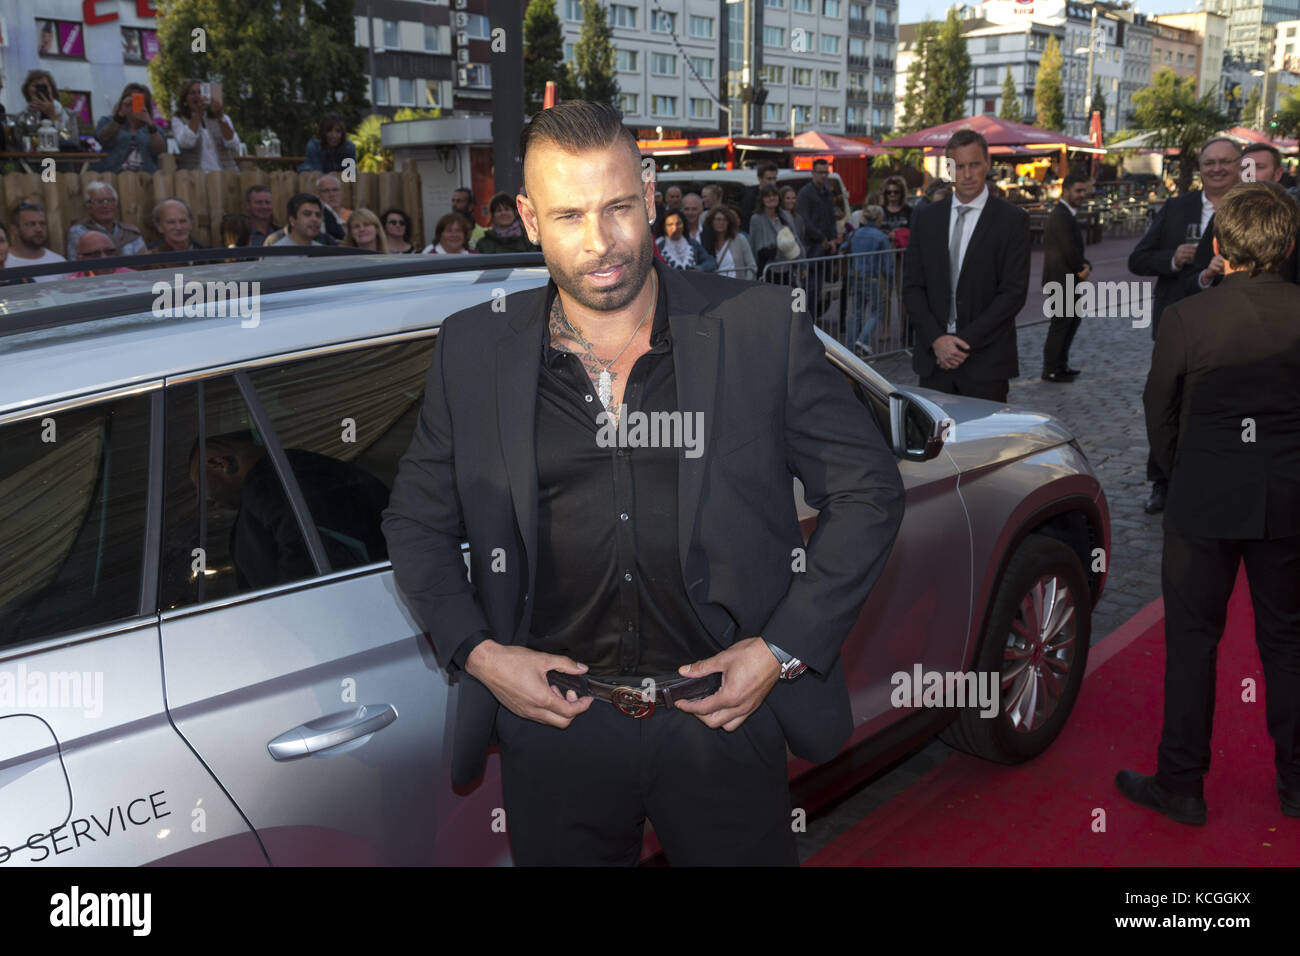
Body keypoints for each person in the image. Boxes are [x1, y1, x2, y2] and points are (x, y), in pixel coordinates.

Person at [380, 99, 906, 866]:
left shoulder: (758, 327)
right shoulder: (473, 349)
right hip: (556, 728)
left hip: (721, 719)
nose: (601, 244)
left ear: (652, 194)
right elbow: (415, 523)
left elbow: (868, 490)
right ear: (528, 219)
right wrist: (484, 657)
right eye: (568, 216)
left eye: (619, 207)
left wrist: (782, 650)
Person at [1119, 181, 1300, 826]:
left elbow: (1157, 411)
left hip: (1203, 503)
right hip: (1286, 502)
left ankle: (1182, 783)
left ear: (1220, 246)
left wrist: (1181, 473)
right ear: (1287, 245)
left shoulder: (1188, 318)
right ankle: (1295, 782)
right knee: (1287, 641)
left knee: (1193, 642)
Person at [1129, 136, 1242, 516]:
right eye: (1210, 162)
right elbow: (1138, 259)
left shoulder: (1250, 209)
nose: (1217, 169)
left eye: (1225, 162)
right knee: (1165, 403)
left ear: (1239, 165)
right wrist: (1172, 259)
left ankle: (1210, 479)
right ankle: (1161, 481)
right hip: (1175, 323)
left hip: (1230, 326)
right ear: (1200, 166)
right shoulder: (1178, 208)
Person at [902, 128, 1030, 404]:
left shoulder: (1012, 220)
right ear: (949, 168)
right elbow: (912, 287)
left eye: (974, 164)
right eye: (959, 166)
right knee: (935, 447)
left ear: (987, 164)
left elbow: (1013, 294)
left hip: (986, 362)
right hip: (934, 363)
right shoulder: (926, 218)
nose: (967, 174)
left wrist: (960, 342)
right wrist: (937, 340)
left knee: (983, 447)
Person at [191, 431, 390, 592]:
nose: (202, 501)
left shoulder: (270, 484)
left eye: (199, 485)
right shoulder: (297, 472)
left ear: (219, 463)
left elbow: (310, 561)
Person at [1040, 173, 1092, 383]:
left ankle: (1061, 365)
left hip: (1070, 279)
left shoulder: (1066, 214)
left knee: (1070, 324)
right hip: (1061, 280)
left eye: (1084, 191)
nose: (1082, 195)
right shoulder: (1060, 215)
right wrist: (1082, 267)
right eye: (1078, 191)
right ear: (1066, 190)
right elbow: (1068, 249)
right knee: (1060, 325)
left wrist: (1085, 265)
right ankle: (1051, 369)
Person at [846, 205, 894, 358]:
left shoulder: (855, 233)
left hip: (855, 276)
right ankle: (861, 340)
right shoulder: (881, 236)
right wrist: (890, 281)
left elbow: (844, 247)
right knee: (876, 311)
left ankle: (850, 345)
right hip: (872, 277)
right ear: (879, 219)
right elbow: (887, 264)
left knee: (857, 312)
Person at [796, 159, 840, 320]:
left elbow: (831, 218)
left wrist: (833, 239)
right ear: (813, 173)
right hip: (810, 247)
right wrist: (822, 238)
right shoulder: (805, 193)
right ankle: (805, 323)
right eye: (820, 172)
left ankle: (811, 323)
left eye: (825, 172)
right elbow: (804, 220)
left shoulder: (827, 192)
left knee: (817, 288)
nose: (823, 175)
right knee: (809, 288)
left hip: (823, 248)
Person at [93, 83, 166, 173]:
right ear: (123, 102)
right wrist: (121, 115)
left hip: (145, 178)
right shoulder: (107, 121)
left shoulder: (154, 129)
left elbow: (161, 151)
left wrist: (150, 123)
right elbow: (103, 139)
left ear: (147, 106)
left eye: (139, 103)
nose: (134, 107)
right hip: (112, 175)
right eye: (131, 103)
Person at [64, 181, 146, 260]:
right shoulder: (79, 231)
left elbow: (144, 262)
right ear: (88, 206)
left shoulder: (130, 232)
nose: (105, 205)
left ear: (116, 205)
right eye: (99, 201)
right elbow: (77, 265)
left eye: (110, 200)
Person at [173, 79, 240, 172]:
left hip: (224, 175)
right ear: (185, 99)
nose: (197, 96)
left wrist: (220, 117)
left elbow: (233, 144)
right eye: (192, 93)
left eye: (200, 92)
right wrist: (198, 113)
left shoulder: (222, 117)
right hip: (195, 178)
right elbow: (186, 143)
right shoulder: (178, 119)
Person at [749, 183, 805, 281]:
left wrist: (803, 265)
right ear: (762, 199)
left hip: (788, 267)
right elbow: (753, 245)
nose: (771, 198)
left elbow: (796, 239)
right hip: (768, 269)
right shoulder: (756, 219)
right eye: (767, 196)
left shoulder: (786, 215)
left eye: (774, 195)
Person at [3, 203, 68, 281]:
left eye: (42, 224)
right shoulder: (4, 261)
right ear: (15, 229)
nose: (39, 229)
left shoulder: (58, 261)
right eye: (31, 224)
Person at [701, 205, 755, 279]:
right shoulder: (705, 242)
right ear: (711, 221)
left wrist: (746, 283)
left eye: (725, 220)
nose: (721, 222)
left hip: (737, 285)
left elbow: (751, 266)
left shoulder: (740, 239)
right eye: (718, 219)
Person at [475, 192, 539, 254]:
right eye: (499, 210)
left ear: (515, 213)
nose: (503, 213)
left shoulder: (529, 240)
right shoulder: (483, 244)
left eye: (507, 209)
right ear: (492, 215)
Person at [67, 230, 136, 277]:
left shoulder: (132, 277)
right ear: (80, 258)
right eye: (95, 254)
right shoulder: (70, 285)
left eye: (109, 252)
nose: (104, 257)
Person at [739, 161, 781, 227]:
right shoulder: (751, 196)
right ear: (759, 178)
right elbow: (746, 221)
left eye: (774, 179)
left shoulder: (778, 195)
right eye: (769, 179)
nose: (772, 182)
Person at [314, 175, 351, 242]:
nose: (331, 194)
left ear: (341, 192)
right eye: (326, 191)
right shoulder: (314, 218)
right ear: (318, 194)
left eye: (335, 190)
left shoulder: (351, 216)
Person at [880, 175, 913, 245]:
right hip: (884, 250)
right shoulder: (880, 210)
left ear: (902, 193)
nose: (892, 194)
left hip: (902, 251)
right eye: (889, 192)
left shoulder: (909, 210)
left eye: (896, 192)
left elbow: (913, 231)